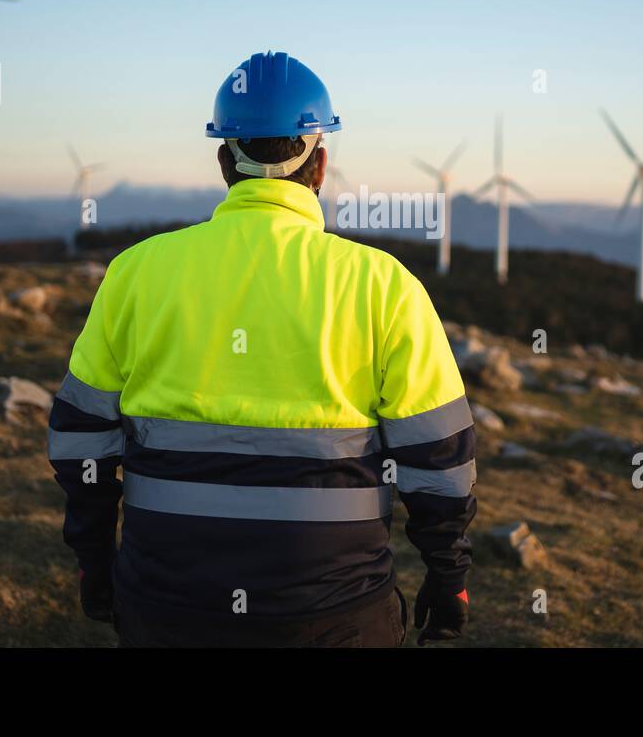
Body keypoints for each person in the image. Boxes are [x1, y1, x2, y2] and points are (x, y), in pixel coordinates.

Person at [48, 51, 477, 647]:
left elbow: (79, 443)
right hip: (334, 614)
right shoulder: (385, 285)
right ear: (321, 165)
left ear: (225, 159)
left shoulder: (135, 273)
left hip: (166, 606)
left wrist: (95, 560)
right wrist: (448, 573)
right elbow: (440, 461)